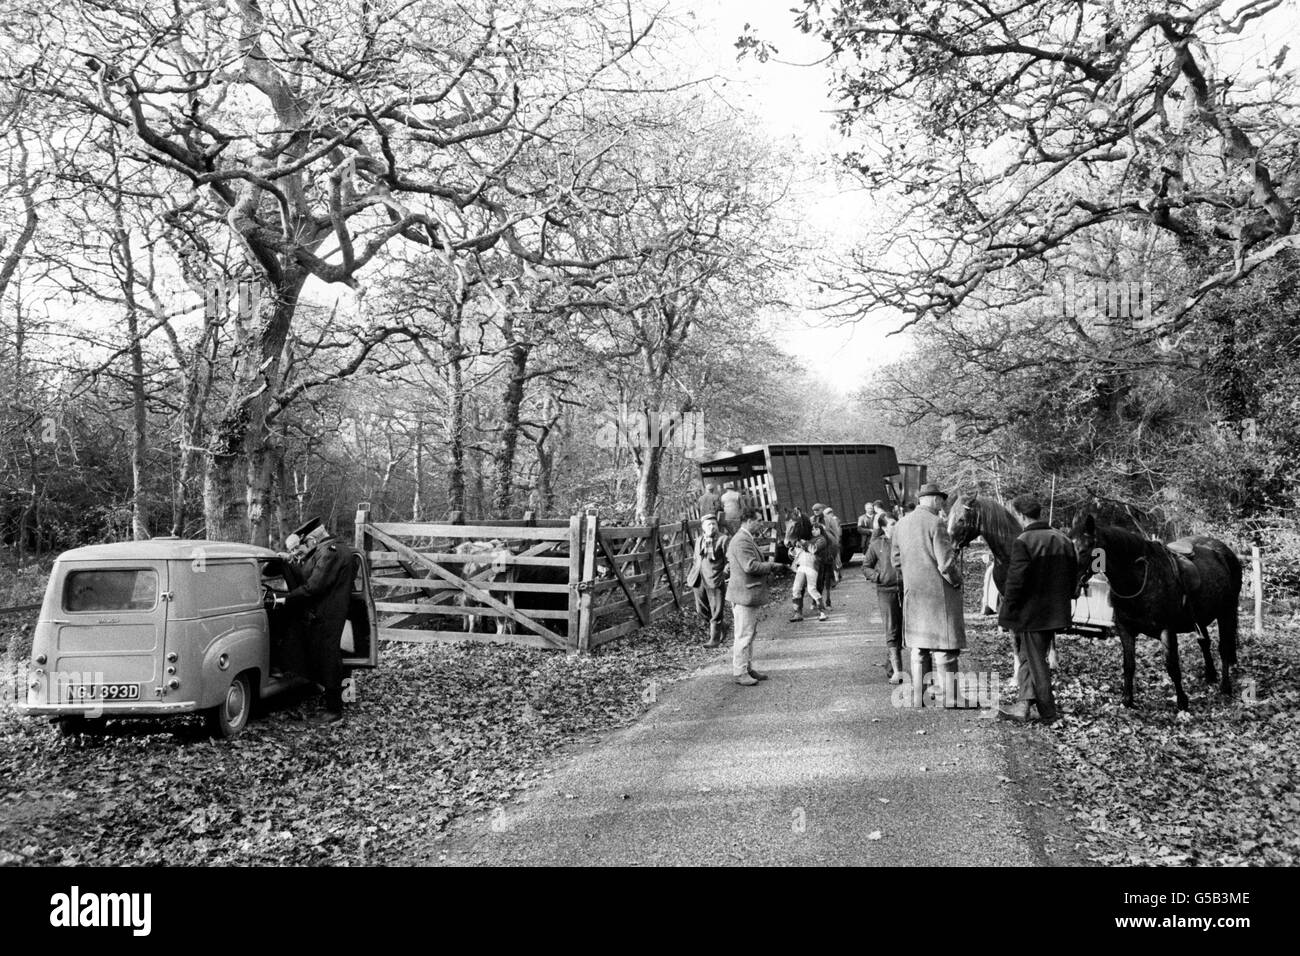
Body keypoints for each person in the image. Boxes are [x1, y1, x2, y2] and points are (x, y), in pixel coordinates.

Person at [997, 494, 1078, 724]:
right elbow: (1074, 577)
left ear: (1021, 516)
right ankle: (1023, 705)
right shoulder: (1063, 539)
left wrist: (1008, 609)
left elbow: (1015, 582)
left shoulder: (1024, 541)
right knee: (1026, 656)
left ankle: (1048, 713)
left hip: (1031, 614)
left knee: (1035, 661)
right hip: (1055, 612)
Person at [891, 483, 965, 707]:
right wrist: (958, 580)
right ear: (933, 499)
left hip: (913, 594)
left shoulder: (901, 524)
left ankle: (918, 696)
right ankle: (951, 698)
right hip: (938, 596)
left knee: (919, 647)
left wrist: (914, 576)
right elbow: (946, 564)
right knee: (944, 647)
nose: (942, 504)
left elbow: (895, 560)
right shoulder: (936, 523)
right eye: (941, 499)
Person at [283, 517, 356, 724]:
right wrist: (291, 564)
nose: (303, 551)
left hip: (326, 614)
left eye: (303, 546)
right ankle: (333, 702)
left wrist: (283, 599)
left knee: (328, 658)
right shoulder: (332, 550)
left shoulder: (330, 552)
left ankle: (333, 710)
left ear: (312, 541)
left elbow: (314, 586)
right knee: (326, 656)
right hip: (326, 612)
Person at [725, 509, 777, 686]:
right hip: (744, 594)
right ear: (748, 521)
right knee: (744, 634)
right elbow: (750, 566)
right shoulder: (741, 540)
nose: (761, 524)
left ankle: (747, 667)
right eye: (759, 520)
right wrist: (771, 566)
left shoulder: (744, 538)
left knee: (749, 633)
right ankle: (740, 671)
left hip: (746, 593)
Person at [863, 514, 905, 683]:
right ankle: (897, 672)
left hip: (907, 589)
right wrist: (878, 577)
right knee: (892, 629)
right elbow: (865, 567)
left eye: (897, 522)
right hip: (886, 592)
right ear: (884, 527)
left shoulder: (905, 541)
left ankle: (918, 672)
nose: (897, 526)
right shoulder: (876, 545)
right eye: (893, 524)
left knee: (909, 629)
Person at [687, 513, 730, 648]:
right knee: (701, 610)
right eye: (708, 525)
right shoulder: (699, 540)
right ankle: (723, 626)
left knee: (716, 609)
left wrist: (723, 574)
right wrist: (693, 573)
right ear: (703, 528)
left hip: (715, 579)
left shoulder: (723, 539)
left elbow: (730, 561)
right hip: (698, 579)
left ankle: (715, 639)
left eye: (714, 524)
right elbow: (696, 559)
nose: (712, 527)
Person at [788, 538, 826, 623]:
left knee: (811, 589)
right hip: (801, 567)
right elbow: (793, 555)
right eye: (812, 529)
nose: (813, 531)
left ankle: (822, 612)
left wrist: (804, 543)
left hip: (811, 566)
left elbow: (814, 549)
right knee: (796, 588)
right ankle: (797, 612)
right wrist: (793, 548)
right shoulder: (799, 541)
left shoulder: (821, 540)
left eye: (815, 529)